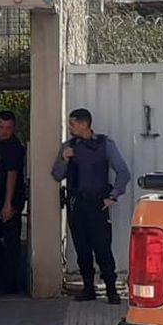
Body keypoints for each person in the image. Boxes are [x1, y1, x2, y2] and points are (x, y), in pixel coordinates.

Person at [51, 108, 131, 304]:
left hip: (98, 204)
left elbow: (123, 172)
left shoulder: (105, 144)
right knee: (82, 248)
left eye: (72, 123)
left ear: (84, 124)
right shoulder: (68, 146)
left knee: (102, 247)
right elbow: (57, 175)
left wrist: (113, 196)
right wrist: (64, 159)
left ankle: (111, 289)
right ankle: (88, 288)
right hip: (76, 203)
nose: (70, 127)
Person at [0, 110, 26, 293]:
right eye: (1, 127)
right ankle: (1, 275)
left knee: (11, 242)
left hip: (10, 199)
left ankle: (11, 283)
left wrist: (8, 204)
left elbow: (12, 175)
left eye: (8, 128)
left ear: (13, 128)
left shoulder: (14, 147)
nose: (4, 131)